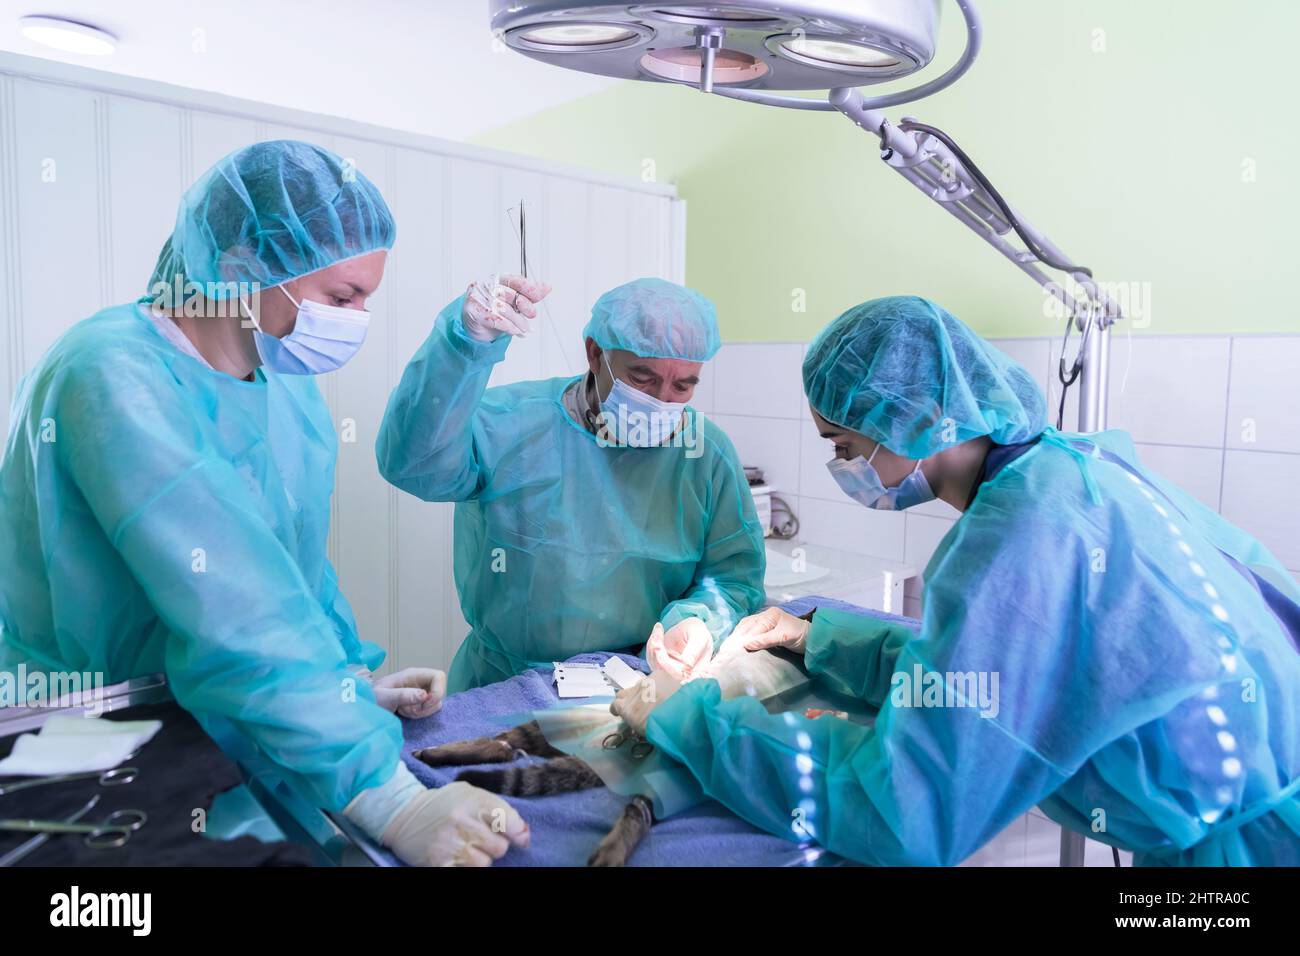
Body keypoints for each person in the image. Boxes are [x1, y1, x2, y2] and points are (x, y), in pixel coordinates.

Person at [613, 294, 1300, 866]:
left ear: (907, 422)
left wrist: (686, 717)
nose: (845, 467)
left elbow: (905, 811)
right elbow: (988, 671)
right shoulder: (1073, 472)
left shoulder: (1018, 537)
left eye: (845, 448)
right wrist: (818, 636)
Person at [0, 140, 528, 867]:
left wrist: (347, 681)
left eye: (367, 297)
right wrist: (388, 796)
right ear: (245, 266)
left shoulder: (285, 387)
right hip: (98, 724)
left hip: (227, 714)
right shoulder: (111, 374)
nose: (357, 319)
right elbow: (234, 605)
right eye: (341, 298)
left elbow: (292, 574)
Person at [376, 276, 765, 692]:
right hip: (505, 686)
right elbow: (414, 466)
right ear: (595, 353)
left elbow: (732, 577)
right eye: (642, 378)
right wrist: (463, 345)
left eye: (683, 385)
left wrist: (698, 622)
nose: (661, 400)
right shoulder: (512, 424)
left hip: (640, 684)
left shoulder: (704, 453)